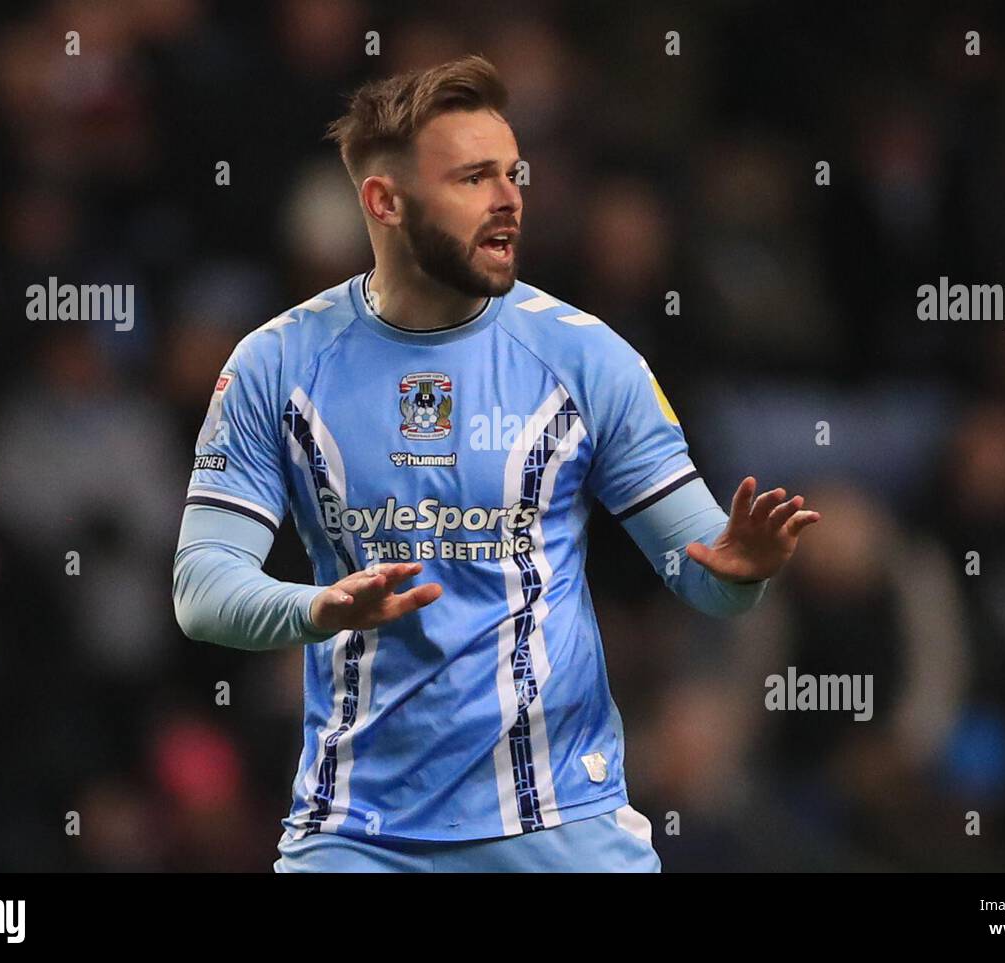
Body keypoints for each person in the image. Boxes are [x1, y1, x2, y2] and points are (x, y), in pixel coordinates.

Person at [172, 54, 820, 872]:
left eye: (513, 173)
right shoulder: (276, 364)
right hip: (357, 833)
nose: (510, 196)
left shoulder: (587, 358)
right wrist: (317, 606)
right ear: (385, 201)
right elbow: (201, 589)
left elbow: (704, 571)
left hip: (561, 827)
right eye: (473, 177)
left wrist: (740, 568)